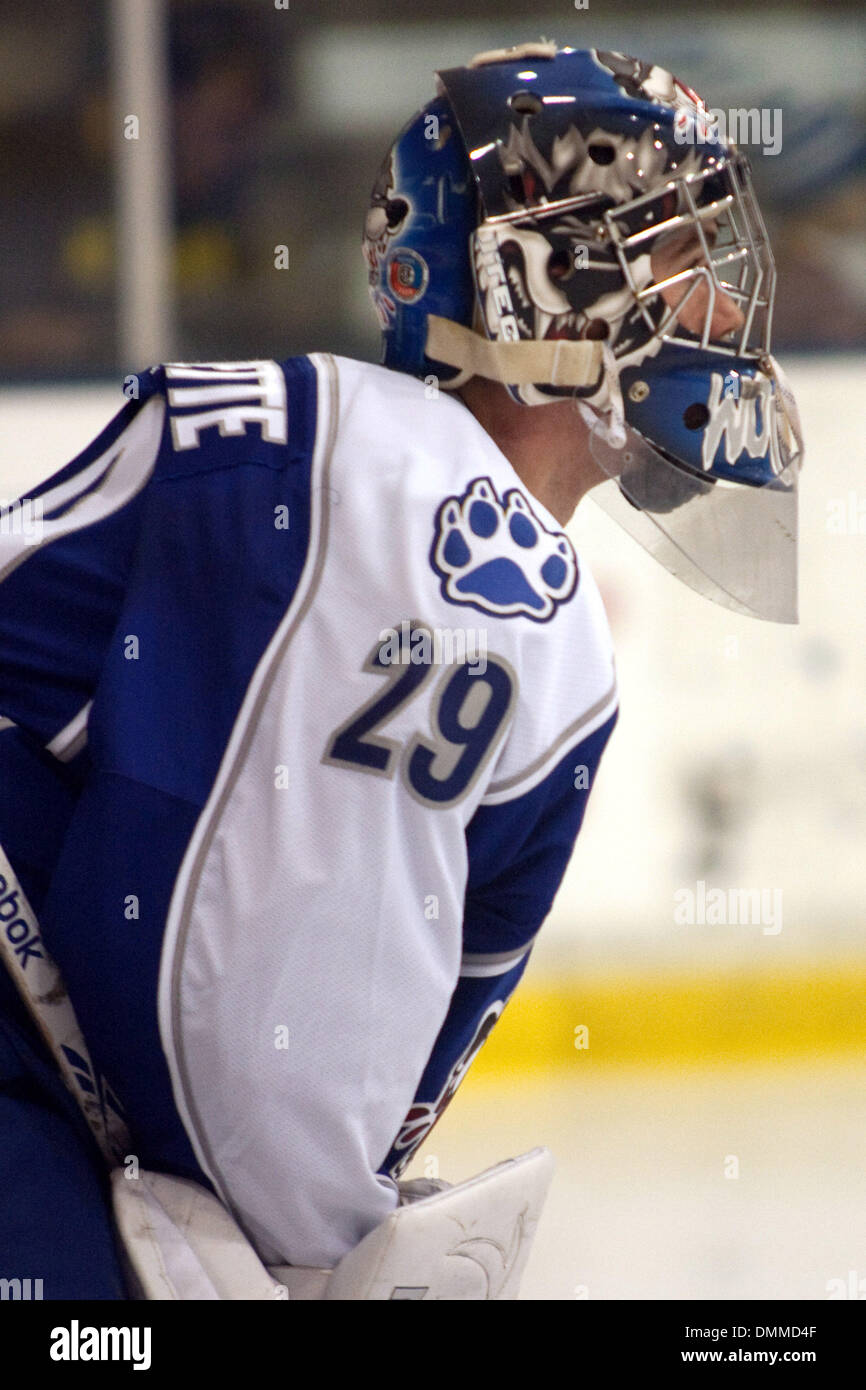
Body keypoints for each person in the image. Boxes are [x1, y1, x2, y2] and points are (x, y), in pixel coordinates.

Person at [0, 42, 801, 1299]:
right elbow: (245, 1043)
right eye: (679, 246)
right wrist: (315, 1244)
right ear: (552, 278)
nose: (720, 300)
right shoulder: (414, 508)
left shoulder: (427, 515)